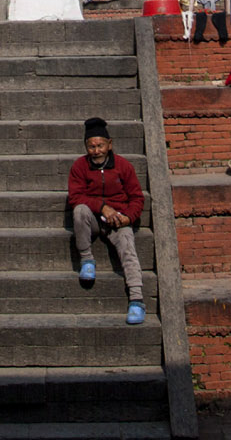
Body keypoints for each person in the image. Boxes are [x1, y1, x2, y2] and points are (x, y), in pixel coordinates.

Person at [67, 117, 146, 325]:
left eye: (100, 145)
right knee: (80, 211)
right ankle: (86, 259)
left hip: (118, 220)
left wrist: (127, 217)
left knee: (128, 247)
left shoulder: (123, 166)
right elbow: (75, 197)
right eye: (91, 146)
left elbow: (137, 198)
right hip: (93, 218)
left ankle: (137, 299)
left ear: (109, 145)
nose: (96, 151)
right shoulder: (79, 166)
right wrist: (102, 206)